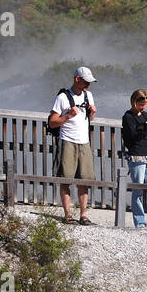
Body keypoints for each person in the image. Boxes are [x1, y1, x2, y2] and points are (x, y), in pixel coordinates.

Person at [47, 66, 97, 225]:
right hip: (67, 140)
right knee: (66, 178)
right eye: (86, 82)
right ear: (77, 79)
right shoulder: (62, 97)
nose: (88, 86)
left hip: (84, 142)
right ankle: (68, 214)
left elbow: (90, 119)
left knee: (85, 179)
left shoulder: (89, 95)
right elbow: (52, 122)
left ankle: (83, 214)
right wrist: (68, 115)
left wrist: (93, 113)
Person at [121, 88, 147, 228]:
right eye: (141, 104)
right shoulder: (128, 117)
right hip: (136, 156)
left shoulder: (145, 115)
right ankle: (140, 222)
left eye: (145, 104)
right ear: (134, 102)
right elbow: (134, 136)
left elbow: (146, 133)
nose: (143, 106)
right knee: (138, 189)